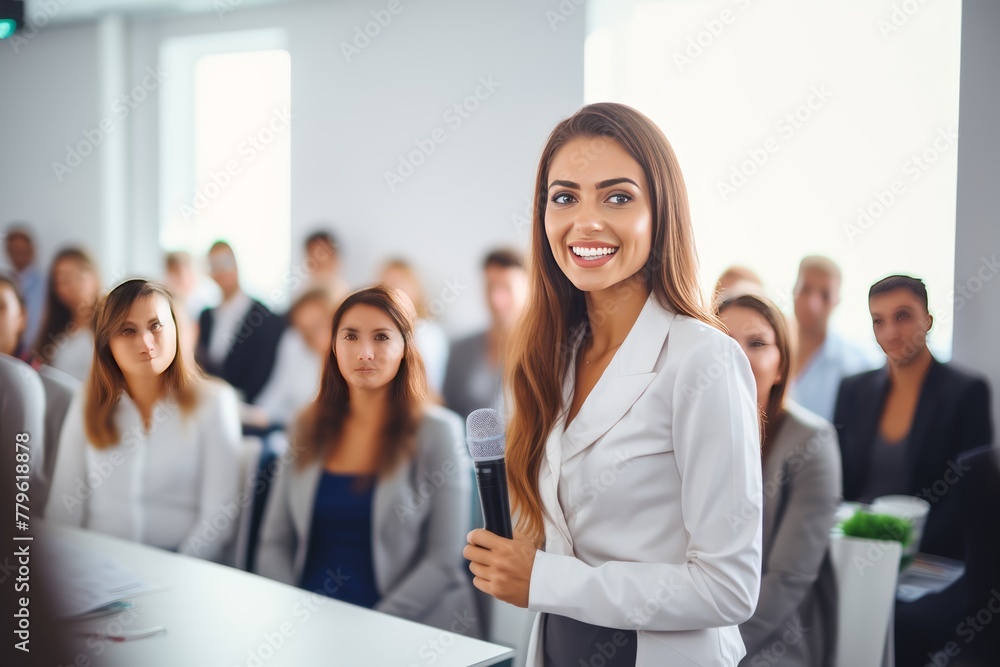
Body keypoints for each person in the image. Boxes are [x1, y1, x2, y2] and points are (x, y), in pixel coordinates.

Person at [463, 103, 762, 666]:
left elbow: (729, 588)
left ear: (660, 214)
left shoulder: (705, 360)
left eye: (618, 197)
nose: (587, 222)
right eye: (565, 197)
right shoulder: (553, 355)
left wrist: (546, 579)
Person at [256, 285, 480, 637]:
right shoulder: (306, 426)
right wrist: (295, 614)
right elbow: (274, 542)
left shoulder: (439, 432)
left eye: (381, 337)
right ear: (333, 345)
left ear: (406, 348)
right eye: (351, 336)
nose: (364, 352)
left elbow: (442, 560)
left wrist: (368, 629)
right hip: (311, 624)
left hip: (409, 629)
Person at [834, 274, 993, 666]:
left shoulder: (965, 391)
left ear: (929, 320)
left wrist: (898, 551)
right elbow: (837, 481)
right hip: (854, 545)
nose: (890, 331)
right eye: (878, 320)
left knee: (899, 626)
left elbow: (969, 499)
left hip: (930, 557)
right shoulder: (853, 390)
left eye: (903, 316)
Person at [46, 279, 243, 562]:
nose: (146, 343)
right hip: (97, 567)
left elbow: (219, 519)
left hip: (183, 571)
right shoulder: (88, 402)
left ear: (176, 328)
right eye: (128, 330)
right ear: (107, 344)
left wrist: (178, 572)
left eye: (156, 326)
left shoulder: (214, 403)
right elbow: (62, 509)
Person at [718, 293, 841, 667]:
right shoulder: (687, 435)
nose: (736, 355)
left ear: (781, 366)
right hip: (694, 627)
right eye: (722, 341)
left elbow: (788, 578)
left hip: (772, 639)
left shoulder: (811, 441)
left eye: (756, 343)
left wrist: (718, 651)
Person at [789, 256, 881, 421]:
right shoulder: (769, 350)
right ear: (793, 290)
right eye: (805, 289)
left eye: (825, 295)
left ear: (837, 301)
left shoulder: (857, 364)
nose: (812, 304)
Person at [442, 248, 528, 419]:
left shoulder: (547, 350)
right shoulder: (460, 349)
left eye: (506, 288)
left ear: (529, 289)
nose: (496, 299)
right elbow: (448, 410)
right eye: (490, 288)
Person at [196, 241, 285, 405]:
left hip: (251, 410)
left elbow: (264, 372)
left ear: (236, 265)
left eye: (225, 263)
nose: (221, 271)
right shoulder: (205, 317)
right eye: (214, 265)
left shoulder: (265, 317)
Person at [241, 287, 334, 430]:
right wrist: (257, 414)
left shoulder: (349, 357)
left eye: (319, 325)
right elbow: (277, 390)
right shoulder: (294, 342)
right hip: (290, 430)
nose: (315, 338)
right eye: (305, 330)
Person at [379, 258, 449, 397]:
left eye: (399, 283)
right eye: (386, 285)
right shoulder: (376, 332)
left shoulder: (430, 334)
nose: (392, 291)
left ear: (415, 288)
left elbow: (432, 387)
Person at [32, 247, 101, 382]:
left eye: (78, 274)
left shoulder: (111, 327)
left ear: (95, 276)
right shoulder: (54, 333)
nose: (72, 284)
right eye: (62, 279)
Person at [4, 224, 47, 350]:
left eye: (22, 251)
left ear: (32, 250)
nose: (18, 256)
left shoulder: (47, 284)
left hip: (39, 351)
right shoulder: (6, 284)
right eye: (13, 251)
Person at [301, 230, 351, 306]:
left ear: (335, 258)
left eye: (321, 254)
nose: (316, 261)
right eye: (311, 254)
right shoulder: (302, 297)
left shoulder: (346, 298)